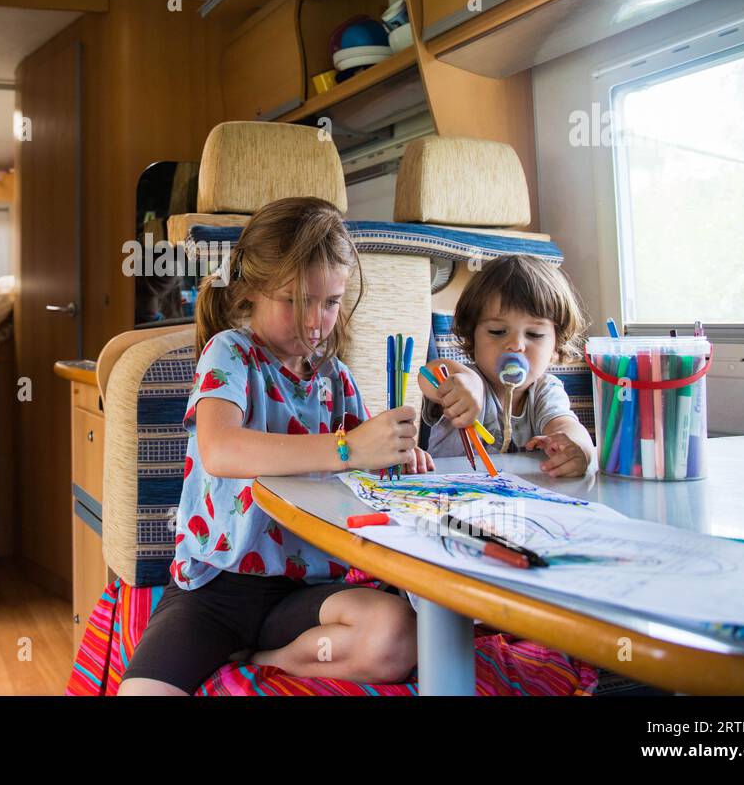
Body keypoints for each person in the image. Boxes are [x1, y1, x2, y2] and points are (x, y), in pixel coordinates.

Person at [117, 196, 433, 696]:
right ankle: (245, 651)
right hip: (214, 590)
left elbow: (360, 482)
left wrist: (396, 460)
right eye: (295, 301)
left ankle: (266, 659)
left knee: (396, 636)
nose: (314, 323)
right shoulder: (231, 353)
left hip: (304, 596)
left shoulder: (338, 379)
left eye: (329, 304)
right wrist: (349, 447)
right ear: (251, 292)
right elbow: (222, 450)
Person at [418, 255, 593, 476]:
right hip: (454, 495)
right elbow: (428, 375)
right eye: (498, 332)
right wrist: (465, 382)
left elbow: (565, 426)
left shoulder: (544, 391)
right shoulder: (465, 382)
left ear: (556, 347)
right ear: (472, 336)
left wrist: (579, 449)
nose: (515, 345)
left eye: (534, 334)